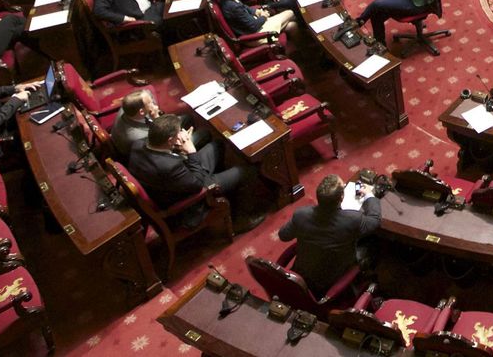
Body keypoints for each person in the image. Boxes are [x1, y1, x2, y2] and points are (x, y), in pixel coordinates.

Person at [130, 115, 259, 229]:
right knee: (245, 171)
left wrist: (178, 148)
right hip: (192, 196)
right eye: (178, 133)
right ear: (170, 140)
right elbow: (198, 184)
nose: (181, 133)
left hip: (179, 179)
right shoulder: (169, 167)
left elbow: (167, 157)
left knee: (217, 146)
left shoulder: (137, 145)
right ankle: (242, 220)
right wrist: (191, 151)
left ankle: (226, 187)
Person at [279, 173, 382, 294]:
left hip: (302, 275)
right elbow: (374, 220)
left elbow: (283, 235)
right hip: (331, 281)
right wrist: (369, 195)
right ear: (342, 197)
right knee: (375, 243)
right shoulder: (352, 219)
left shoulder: (301, 214)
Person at [214, 0, 296, 39]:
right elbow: (253, 26)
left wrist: (256, 12)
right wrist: (264, 16)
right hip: (253, 35)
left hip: (253, 23)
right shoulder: (233, 7)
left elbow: (244, 7)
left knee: (292, 25)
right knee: (290, 13)